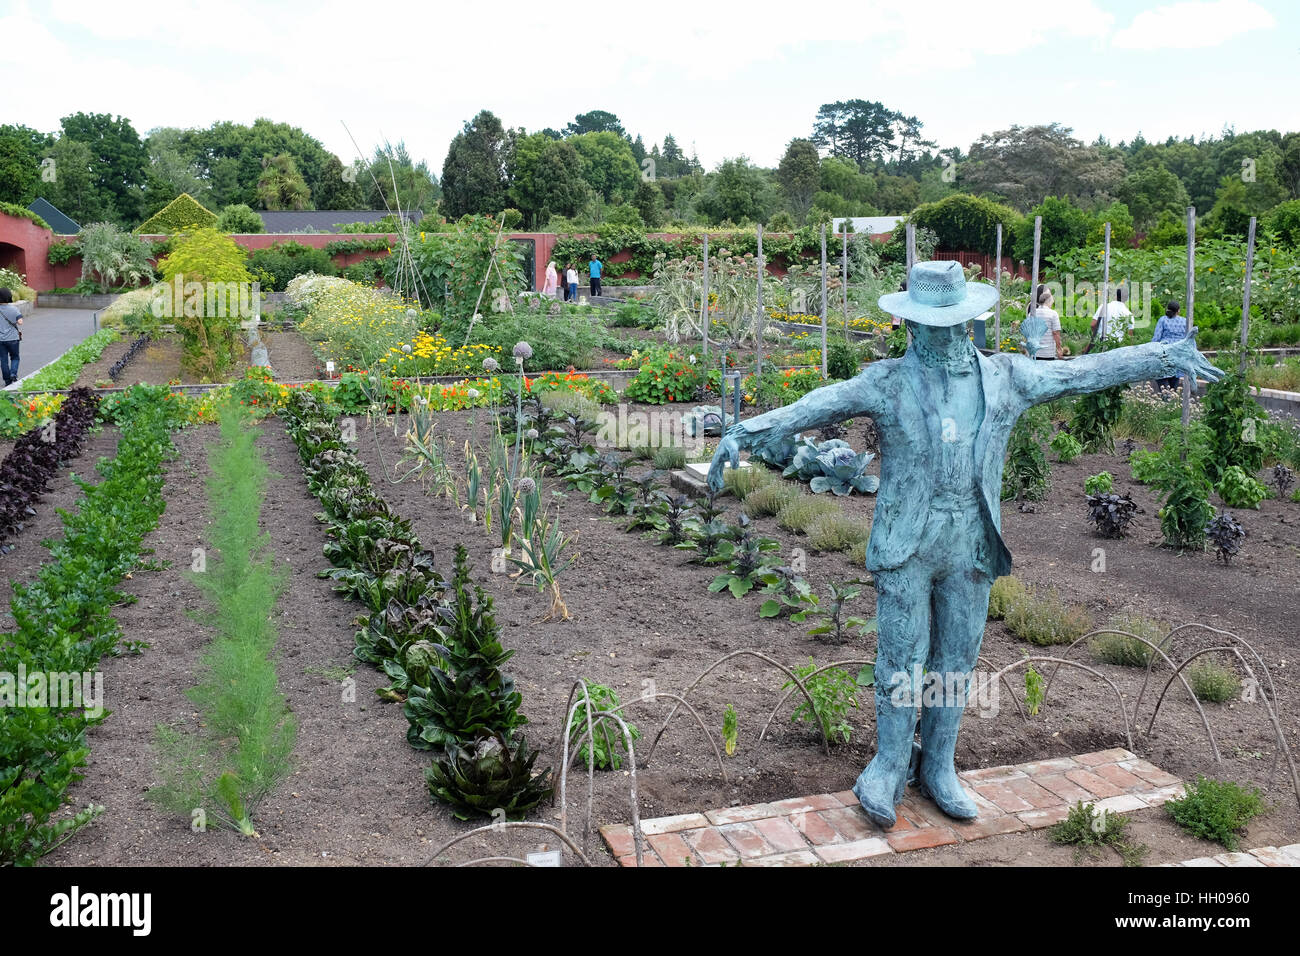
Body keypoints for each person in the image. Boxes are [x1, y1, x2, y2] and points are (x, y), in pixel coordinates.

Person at [708, 260, 1222, 828]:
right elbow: (818, 403)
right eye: (930, 323)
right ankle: (889, 763)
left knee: (956, 658)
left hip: (972, 540)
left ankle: (941, 767)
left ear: (967, 321)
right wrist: (744, 432)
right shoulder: (887, 381)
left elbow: (1083, 371)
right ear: (911, 326)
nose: (943, 333)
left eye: (952, 322)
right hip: (908, 541)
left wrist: (1163, 356)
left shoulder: (1006, 376)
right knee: (901, 657)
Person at [1151, 299, 1189, 391]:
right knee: (1173, 384)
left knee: (1161, 379)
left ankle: (1166, 400)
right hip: (1178, 356)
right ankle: (1171, 401)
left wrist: (1151, 349)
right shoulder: (1185, 321)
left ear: (1167, 309)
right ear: (1178, 310)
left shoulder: (1163, 320)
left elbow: (1156, 338)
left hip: (1165, 354)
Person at [0, 288, 22, 387]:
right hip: (13, 338)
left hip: (1, 340)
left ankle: (7, 380)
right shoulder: (14, 309)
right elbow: (20, 322)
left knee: (3, 360)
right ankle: (13, 374)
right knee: (15, 357)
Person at [1034, 288, 1063, 359]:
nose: (1052, 304)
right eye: (1052, 302)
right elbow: (1055, 333)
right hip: (1047, 353)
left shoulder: (1032, 313)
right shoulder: (1053, 314)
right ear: (1049, 302)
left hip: (1034, 352)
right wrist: (1059, 348)